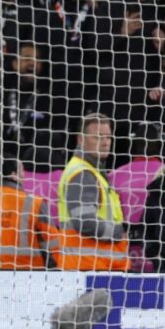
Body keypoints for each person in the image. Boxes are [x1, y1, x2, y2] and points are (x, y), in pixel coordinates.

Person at [52, 113, 131, 270]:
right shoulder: (82, 173)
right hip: (89, 269)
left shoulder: (89, 170)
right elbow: (84, 222)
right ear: (81, 139)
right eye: (98, 137)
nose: (105, 143)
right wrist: (120, 231)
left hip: (92, 267)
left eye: (108, 137)